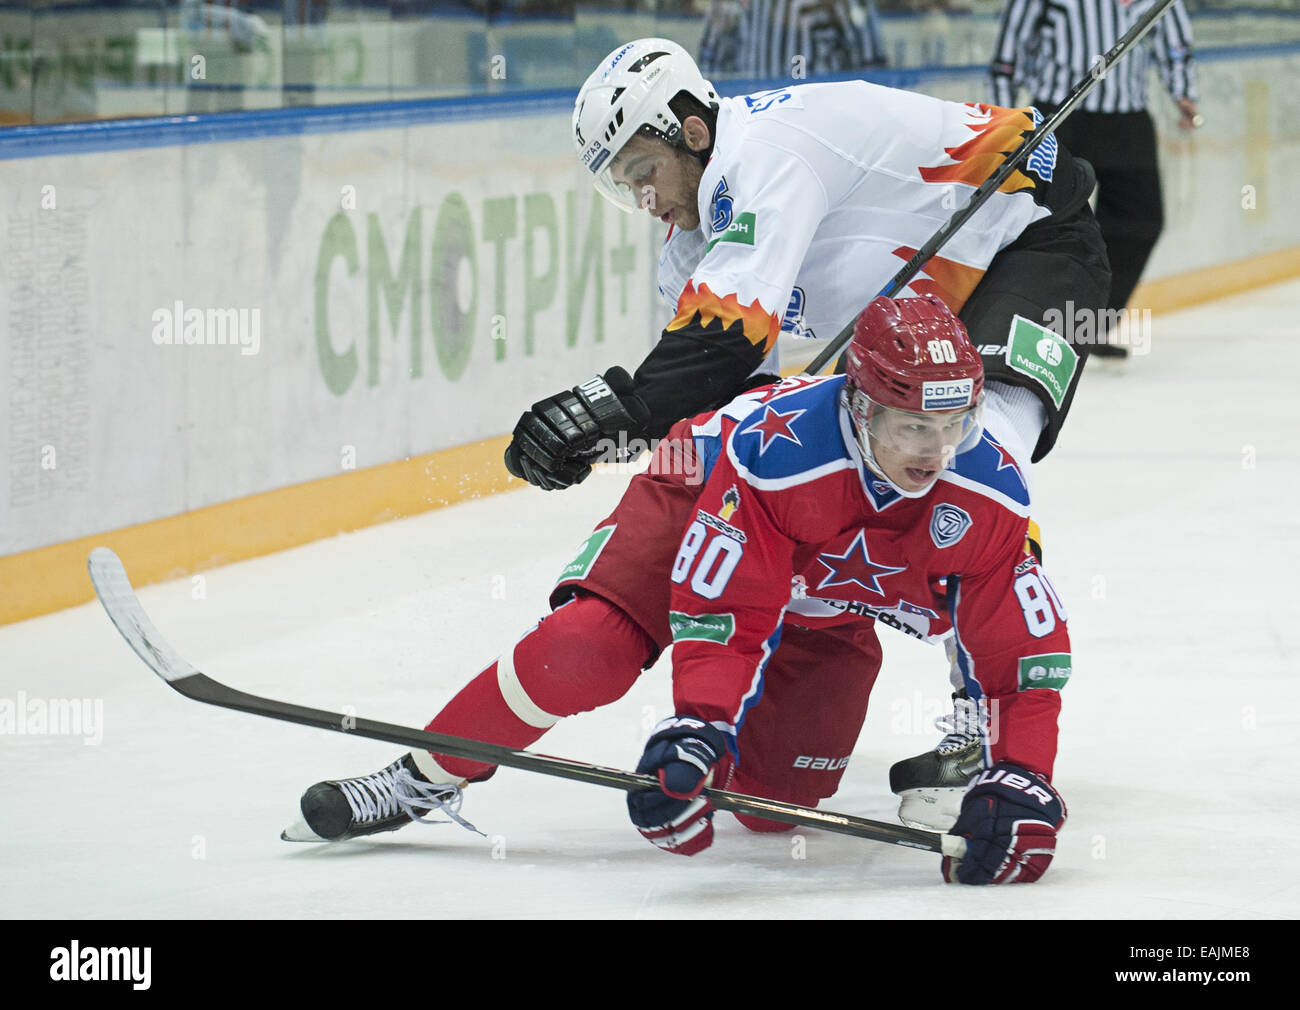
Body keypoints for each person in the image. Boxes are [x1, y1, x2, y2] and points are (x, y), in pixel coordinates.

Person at [506, 37, 1107, 824]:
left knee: (978, 455)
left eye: (644, 173)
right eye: (626, 188)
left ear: (690, 131)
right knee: (860, 435)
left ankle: (986, 730)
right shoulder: (694, 234)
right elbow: (736, 397)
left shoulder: (770, 154)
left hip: (1034, 237)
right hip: (934, 265)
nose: (645, 200)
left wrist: (601, 416)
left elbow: (723, 340)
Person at [288, 296, 1072, 886]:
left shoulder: (989, 492)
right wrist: (698, 726)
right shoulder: (775, 458)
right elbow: (726, 613)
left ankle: (734, 760)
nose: (936, 453)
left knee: (774, 808)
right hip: (697, 492)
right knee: (583, 651)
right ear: (859, 406)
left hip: (824, 589)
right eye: (911, 427)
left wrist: (1023, 776)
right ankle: (425, 775)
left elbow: (1017, 656)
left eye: (954, 425)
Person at [991, 0, 1199, 358]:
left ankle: (1087, 326)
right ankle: (1030, 325)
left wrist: (1183, 92)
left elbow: (1174, 42)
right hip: (1062, 116)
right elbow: (1012, 50)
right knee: (1047, 227)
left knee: (1141, 222)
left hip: (1127, 119)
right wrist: (1003, 117)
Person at [697, 0, 887, 80]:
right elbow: (711, 66)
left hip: (819, 131)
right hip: (751, 131)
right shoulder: (731, 3)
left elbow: (872, 70)